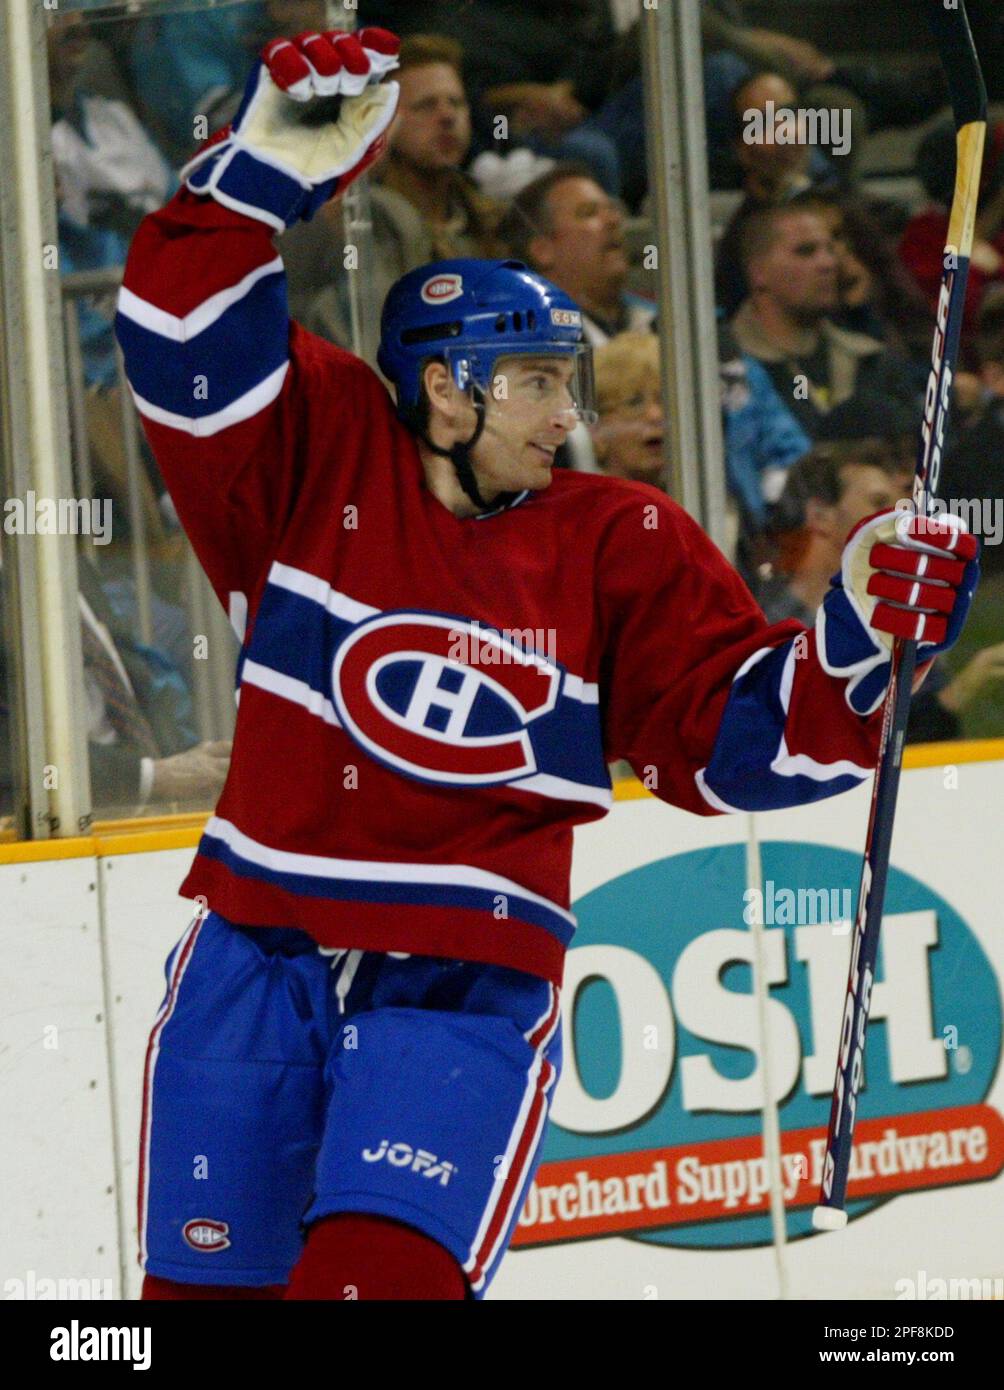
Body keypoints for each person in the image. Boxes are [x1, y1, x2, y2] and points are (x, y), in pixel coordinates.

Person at [115, 28, 979, 1302]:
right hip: (258, 951)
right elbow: (182, 357)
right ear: (438, 391)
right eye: (527, 381)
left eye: (563, 381)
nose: (561, 414)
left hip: (459, 980)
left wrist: (854, 639)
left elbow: (730, 744)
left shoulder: (613, 536)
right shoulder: (318, 454)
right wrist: (248, 187)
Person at [759, 441, 998, 744]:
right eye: (878, 502)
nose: (899, 522)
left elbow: (918, 739)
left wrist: (950, 699)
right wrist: (953, 696)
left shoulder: (902, 612)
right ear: (820, 516)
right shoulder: (766, 625)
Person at [731, 201, 918, 437]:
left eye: (830, 250)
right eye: (805, 251)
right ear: (758, 272)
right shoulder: (728, 368)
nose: (828, 264)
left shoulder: (873, 362)